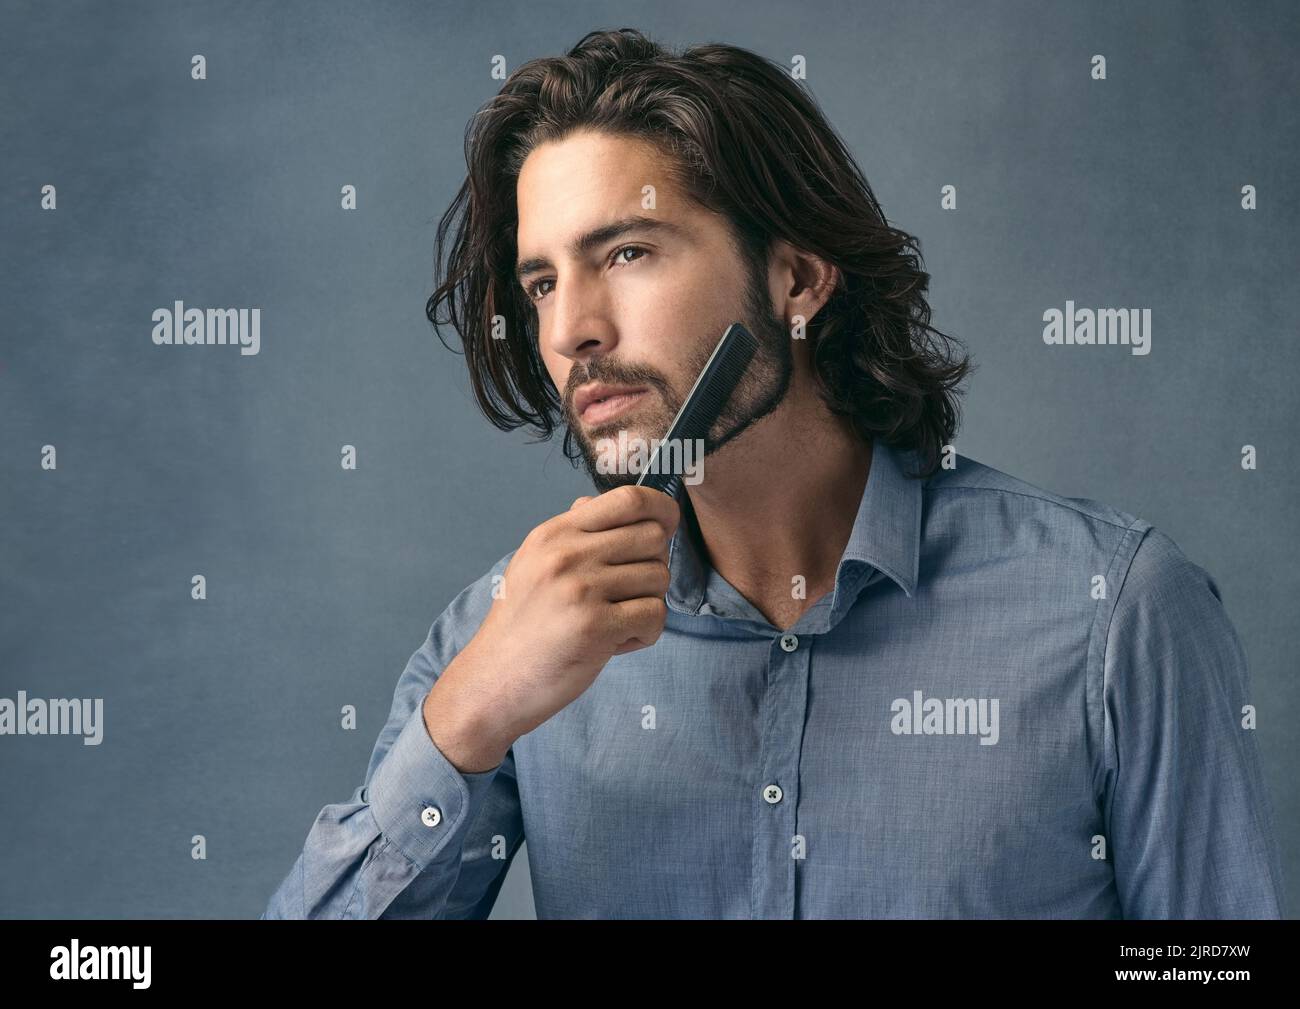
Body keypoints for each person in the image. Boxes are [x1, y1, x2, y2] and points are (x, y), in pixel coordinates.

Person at [261, 28, 1286, 919]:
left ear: (795, 278)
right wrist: (466, 720)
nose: (570, 329)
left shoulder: (1113, 615)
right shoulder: (504, 639)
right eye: (541, 281)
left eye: (624, 254)